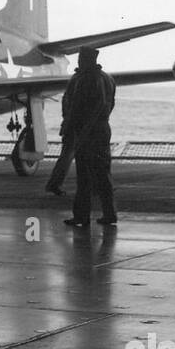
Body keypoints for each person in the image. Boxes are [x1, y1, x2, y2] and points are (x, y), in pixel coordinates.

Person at [61, 47, 117, 228]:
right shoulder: (108, 79)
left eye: (80, 58)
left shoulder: (86, 78)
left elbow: (81, 106)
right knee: (103, 174)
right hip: (102, 129)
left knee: (84, 176)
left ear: (86, 59)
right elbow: (109, 104)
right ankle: (110, 214)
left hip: (88, 131)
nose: (78, 61)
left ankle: (81, 216)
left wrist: (76, 129)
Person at [44, 66, 78, 195]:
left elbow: (67, 104)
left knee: (66, 156)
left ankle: (54, 184)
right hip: (78, 126)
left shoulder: (74, 81)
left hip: (71, 125)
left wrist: (67, 121)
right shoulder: (83, 81)